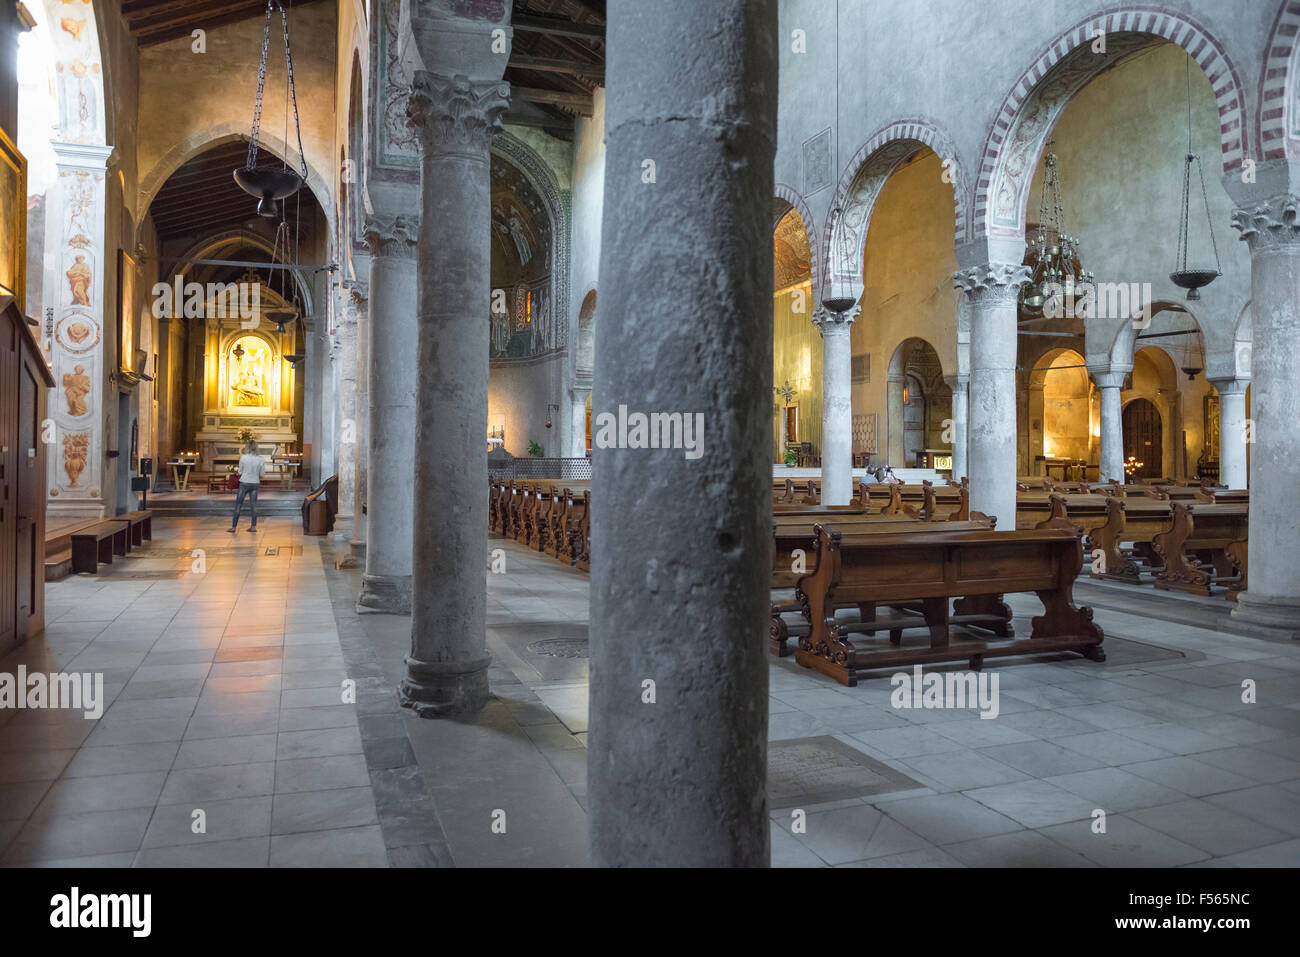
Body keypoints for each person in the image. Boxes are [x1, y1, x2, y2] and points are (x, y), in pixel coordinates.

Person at [228, 440, 266, 533]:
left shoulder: (243, 457)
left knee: (238, 505)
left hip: (244, 483)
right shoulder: (261, 459)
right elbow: (262, 474)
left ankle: (233, 527)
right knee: (253, 505)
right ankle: (253, 527)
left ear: (247, 448)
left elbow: (240, 472)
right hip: (255, 483)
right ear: (256, 448)